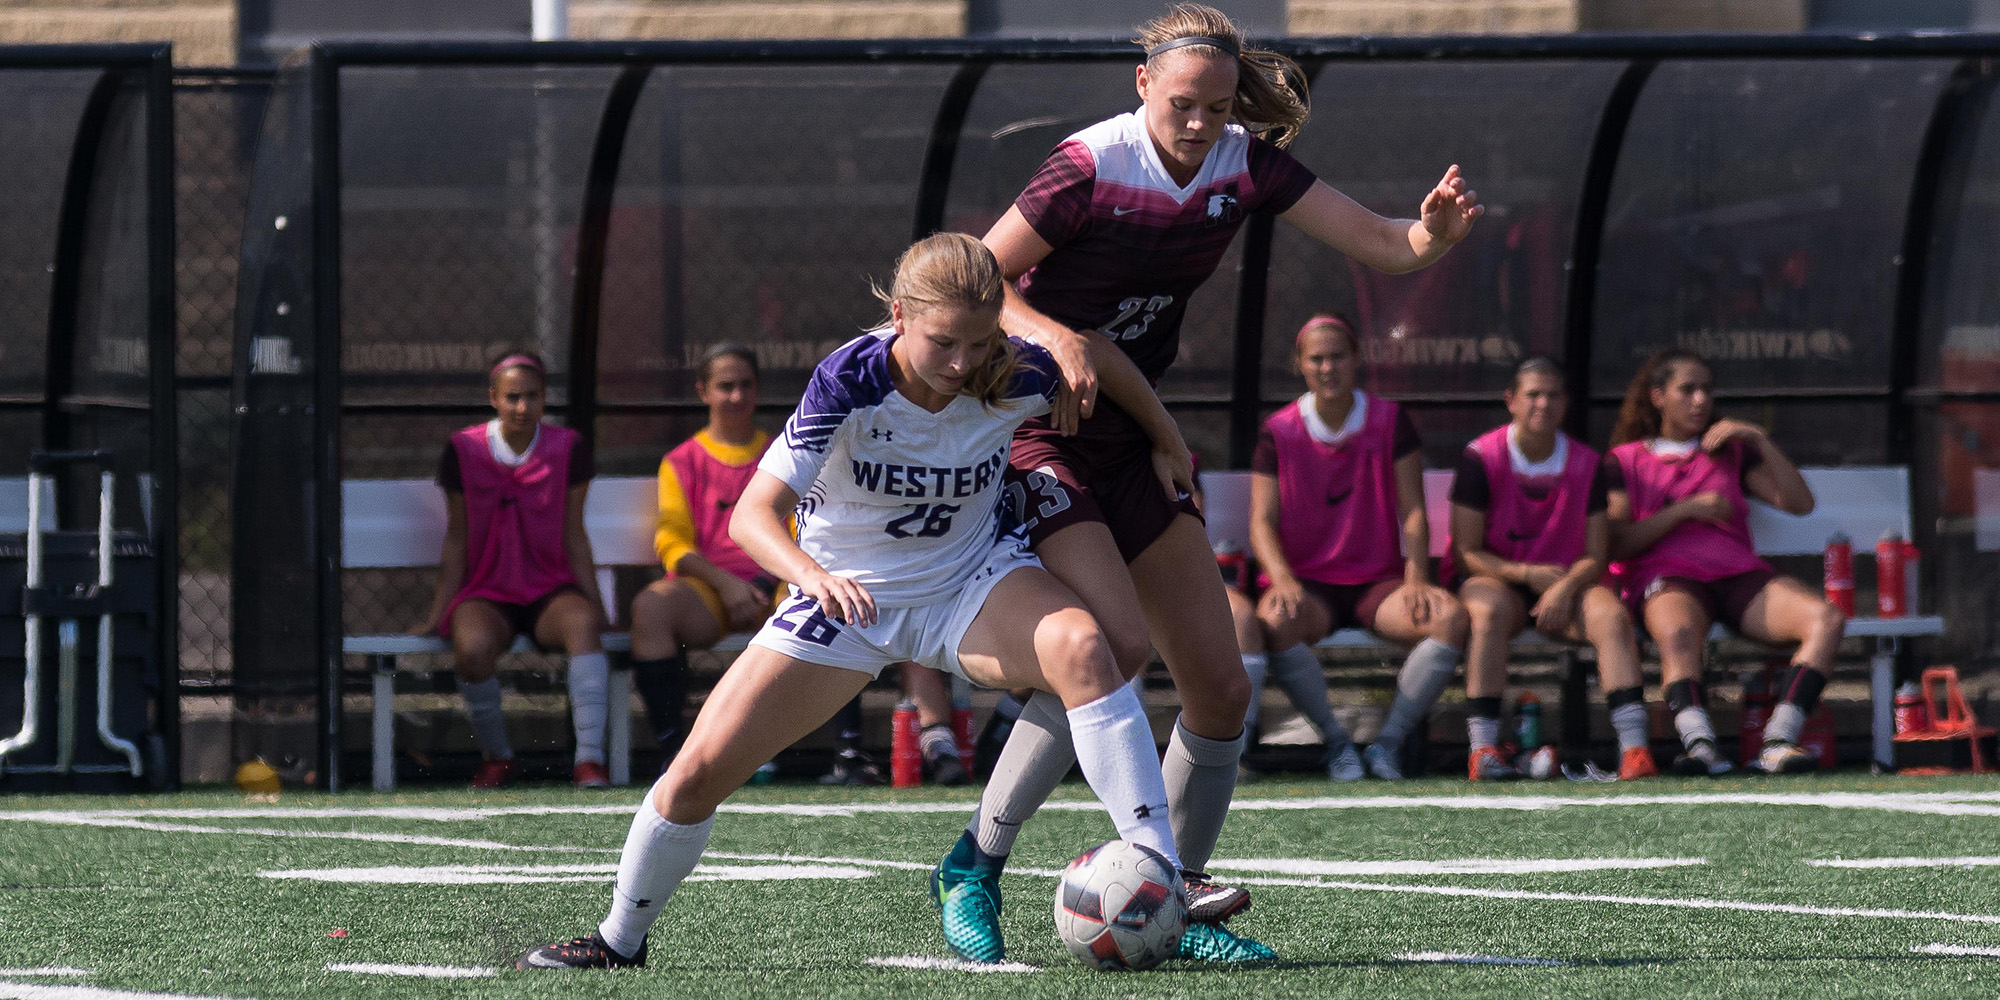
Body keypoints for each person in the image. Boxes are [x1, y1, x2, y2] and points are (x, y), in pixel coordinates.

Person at [516, 233, 1245, 971]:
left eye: (978, 341)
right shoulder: (850, 379)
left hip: (969, 585)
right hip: (846, 606)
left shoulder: (1012, 369)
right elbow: (751, 515)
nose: (962, 363)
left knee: (1087, 648)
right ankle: (618, 939)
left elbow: (1095, 358)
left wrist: (1165, 437)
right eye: (943, 342)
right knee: (696, 772)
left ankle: (1164, 875)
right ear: (899, 316)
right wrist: (811, 574)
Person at [939, 2, 1481, 965]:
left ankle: (1168, 907)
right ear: (1142, 85)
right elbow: (979, 286)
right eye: (1183, 104)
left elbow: (1384, 241)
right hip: (1041, 428)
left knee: (1223, 688)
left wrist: (1430, 238)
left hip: (1136, 427)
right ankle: (973, 865)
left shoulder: (1245, 162)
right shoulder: (1088, 165)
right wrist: (1059, 337)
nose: (1200, 124)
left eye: (1219, 107)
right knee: (1110, 646)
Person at [1246, 314, 1468, 782]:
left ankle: (1387, 745)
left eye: (1337, 357)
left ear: (1357, 359)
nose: (1328, 368)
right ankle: (1339, 744)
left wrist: (1416, 577)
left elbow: (1413, 509)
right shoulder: (1279, 430)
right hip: (1309, 584)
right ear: (1300, 366)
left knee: (1449, 617)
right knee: (1275, 620)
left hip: (1379, 583)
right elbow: (1261, 522)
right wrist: (1283, 578)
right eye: (1317, 359)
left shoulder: (1390, 420)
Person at [1605, 349, 1844, 776]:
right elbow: (1619, 543)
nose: (1700, 400)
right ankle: (1701, 747)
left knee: (1825, 619)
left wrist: (1758, 439)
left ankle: (1778, 740)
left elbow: (1799, 503)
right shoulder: (1625, 460)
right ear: (1658, 397)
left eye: (1707, 391)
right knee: (1677, 634)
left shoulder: (1729, 452)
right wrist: (1684, 510)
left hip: (1738, 577)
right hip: (1669, 578)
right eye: (1687, 390)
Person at [1448, 357, 1657, 782]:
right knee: (1485, 613)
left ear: (1566, 403)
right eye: (1532, 394)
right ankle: (1482, 748)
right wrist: (1527, 574)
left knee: (1612, 616)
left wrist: (1563, 589)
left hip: (1567, 583)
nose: (1543, 403)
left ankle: (1635, 750)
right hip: (1499, 579)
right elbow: (1468, 552)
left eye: (1553, 395)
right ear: (1511, 401)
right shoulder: (1480, 456)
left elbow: (1596, 554)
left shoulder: (1586, 462)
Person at [413, 350, 611, 789]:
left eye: (532, 397)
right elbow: (457, 537)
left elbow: (574, 533)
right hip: (487, 590)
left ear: (544, 399)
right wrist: (436, 612)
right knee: (473, 647)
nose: (522, 407)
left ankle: (590, 762)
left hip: (549, 588)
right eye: (512, 397)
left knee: (582, 627)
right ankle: (498, 757)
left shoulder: (567, 447)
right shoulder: (462, 448)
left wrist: (596, 605)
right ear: (493, 398)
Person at [628, 343, 778, 772]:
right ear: (703, 391)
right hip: (710, 591)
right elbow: (672, 542)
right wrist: (727, 585)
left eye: (745, 385)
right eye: (725, 386)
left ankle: (848, 753)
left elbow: (801, 533)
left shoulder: (783, 455)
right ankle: (676, 755)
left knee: (830, 608)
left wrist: (763, 587)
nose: (736, 396)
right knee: (650, 609)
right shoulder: (681, 461)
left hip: (778, 586)